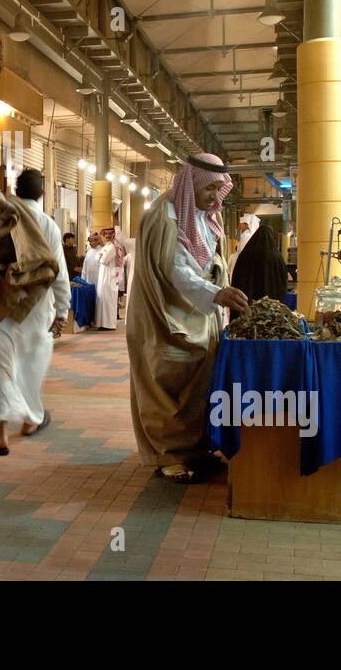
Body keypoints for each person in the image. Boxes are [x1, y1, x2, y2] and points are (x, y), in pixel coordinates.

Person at [125, 154, 249, 484]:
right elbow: (172, 271)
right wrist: (214, 293)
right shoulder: (164, 216)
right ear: (192, 183)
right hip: (164, 316)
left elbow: (212, 261)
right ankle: (168, 455)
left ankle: (195, 448)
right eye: (209, 188)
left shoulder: (206, 216)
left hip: (200, 313)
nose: (214, 196)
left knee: (199, 382)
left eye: (219, 189)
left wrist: (219, 285)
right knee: (165, 385)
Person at [0, 169, 69, 456]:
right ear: (42, 193)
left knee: (0, 369)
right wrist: (62, 311)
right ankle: (29, 420)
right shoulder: (48, 225)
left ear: (15, 190)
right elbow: (59, 273)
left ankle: (1, 434)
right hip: (35, 308)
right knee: (29, 367)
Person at [229, 223, 287, 304]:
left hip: (248, 304)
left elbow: (238, 277)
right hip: (272, 304)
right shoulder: (277, 257)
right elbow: (283, 280)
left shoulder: (246, 254)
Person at [95, 225, 123, 331]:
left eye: (108, 234)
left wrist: (101, 255)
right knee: (103, 299)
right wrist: (101, 254)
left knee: (109, 300)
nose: (106, 236)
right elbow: (97, 257)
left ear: (113, 235)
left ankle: (109, 324)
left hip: (110, 276)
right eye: (105, 234)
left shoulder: (113, 247)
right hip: (104, 275)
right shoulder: (107, 246)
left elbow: (103, 260)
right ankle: (102, 323)